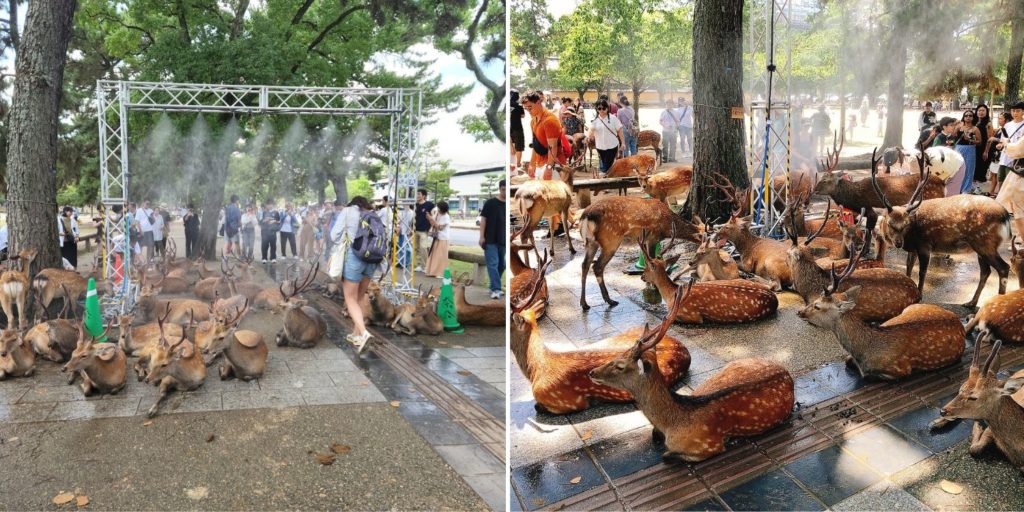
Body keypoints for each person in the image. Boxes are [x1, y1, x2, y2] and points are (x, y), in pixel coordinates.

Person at [330, 196, 378, 354]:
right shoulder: (373, 213)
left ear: (352, 203)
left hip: (355, 257)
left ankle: (364, 333)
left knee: (350, 298)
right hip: (372, 259)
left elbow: (334, 235)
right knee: (360, 297)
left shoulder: (347, 211)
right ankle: (356, 334)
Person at [997, 101, 1024, 237]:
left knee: (1017, 204)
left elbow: (1018, 149)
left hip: (1019, 167)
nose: (1015, 113)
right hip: (1012, 162)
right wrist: (1003, 145)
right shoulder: (1008, 125)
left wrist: (1007, 145)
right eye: (1013, 110)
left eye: (1018, 110)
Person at [522, 90, 563, 179]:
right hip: (540, 164)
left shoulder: (550, 120)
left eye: (530, 107)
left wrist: (549, 168)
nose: (528, 111)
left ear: (538, 102)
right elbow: (535, 144)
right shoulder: (533, 121)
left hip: (553, 165)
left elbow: (553, 147)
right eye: (526, 108)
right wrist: (532, 164)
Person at [479, 179, 506, 299]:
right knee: (493, 263)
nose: (505, 192)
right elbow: (483, 220)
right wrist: (481, 236)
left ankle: (492, 286)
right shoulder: (490, 203)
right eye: (503, 189)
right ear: (500, 189)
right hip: (490, 239)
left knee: (502, 265)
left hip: (503, 239)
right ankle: (496, 289)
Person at [587, 98, 625, 175]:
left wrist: (623, 143)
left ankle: (605, 175)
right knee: (604, 163)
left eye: (603, 108)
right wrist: (588, 137)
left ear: (607, 108)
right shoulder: (595, 121)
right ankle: (608, 176)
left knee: (606, 165)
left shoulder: (613, 119)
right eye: (599, 108)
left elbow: (620, 131)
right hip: (600, 147)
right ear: (597, 109)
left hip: (612, 146)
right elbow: (591, 130)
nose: (601, 110)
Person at [954, 110, 981, 194]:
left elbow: (979, 142)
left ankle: (966, 189)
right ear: (963, 117)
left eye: (970, 115)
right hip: (959, 148)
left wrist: (969, 140)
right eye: (966, 115)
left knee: (969, 169)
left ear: (973, 117)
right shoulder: (959, 127)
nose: (968, 117)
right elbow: (953, 136)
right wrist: (956, 126)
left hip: (970, 149)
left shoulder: (975, 129)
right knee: (958, 168)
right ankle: (957, 188)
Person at [424, 201, 451, 277]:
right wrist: (429, 218)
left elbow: (440, 227)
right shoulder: (437, 214)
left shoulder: (446, 217)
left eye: (439, 209)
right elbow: (433, 224)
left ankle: (440, 273)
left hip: (443, 238)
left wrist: (431, 219)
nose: (438, 210)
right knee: (434, 255)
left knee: (440, 256)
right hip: (436, 237)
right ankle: (432, 271)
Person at [414, 189, 435, 271]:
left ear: (424, 196)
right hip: (415, 230)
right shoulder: (415, 205)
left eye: (419, 194)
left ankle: (426, 266)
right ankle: (419, 265)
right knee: (416, 248)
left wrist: (431, 228)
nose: (417, 196)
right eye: (417, 194)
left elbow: (434, 216)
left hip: (424, 230)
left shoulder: (429, 205)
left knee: (423, 248)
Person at [975, 104, 993, 186]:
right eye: (979, 110)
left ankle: (980, 188)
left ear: (986, 112)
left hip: (984, 148)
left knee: (982, 170)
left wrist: (986, 151)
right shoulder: (976, 122)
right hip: (976, 148)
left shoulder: (988, 124)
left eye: (983, 110)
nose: (981, 112)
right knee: (976, 168)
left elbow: (989, 139)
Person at [510, 89, 525, 171]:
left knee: (511, 145)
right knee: (519, 146)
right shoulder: (519, 106)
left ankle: (512, 163)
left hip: (510, 128)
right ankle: (518, 163)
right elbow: (523, 116)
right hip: (518, 127)